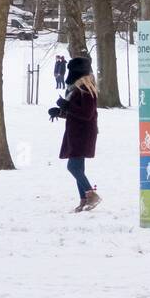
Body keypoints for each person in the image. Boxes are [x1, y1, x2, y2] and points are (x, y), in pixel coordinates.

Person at [48, 56, 100, 212]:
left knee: (73, 167)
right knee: (78, 168)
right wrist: (60, 111)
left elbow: (86, 114)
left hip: (82, 134)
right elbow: (77, 112)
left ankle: (91, 195)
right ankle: (84, 199)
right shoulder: (77, 90)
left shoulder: (85, 90)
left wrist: (66, 106)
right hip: (76, 132)